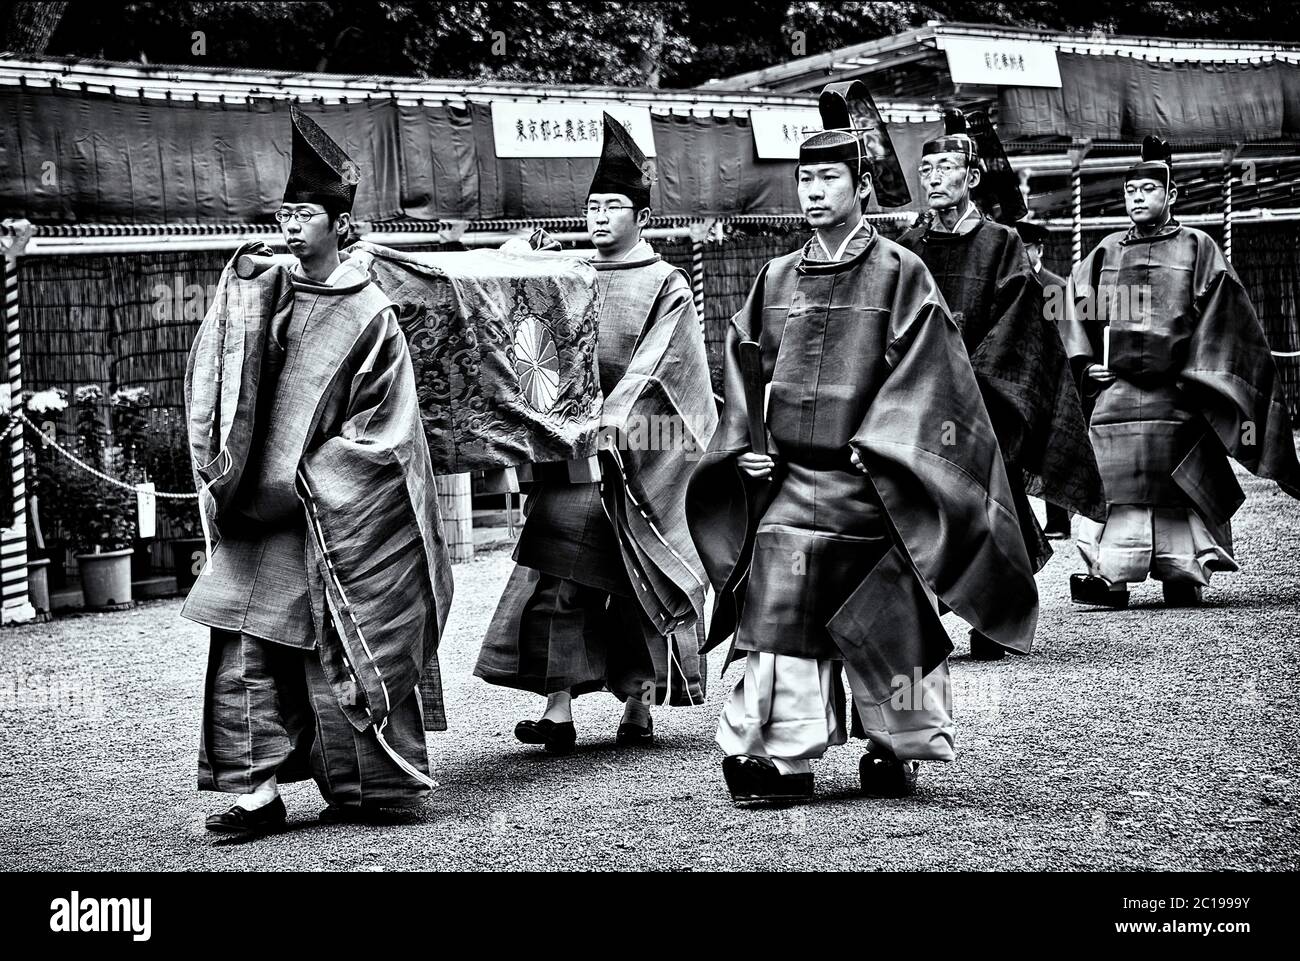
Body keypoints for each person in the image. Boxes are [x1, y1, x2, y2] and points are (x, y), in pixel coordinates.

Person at [687, 81, 1038, 807]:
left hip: (872, 483)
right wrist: (747, 445)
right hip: (789, 485)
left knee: (888, 616)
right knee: (778, 602)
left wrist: (884, 445)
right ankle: (778, 754)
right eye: (805, 179)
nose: (814, 192)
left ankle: (894, 743)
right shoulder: (776, 276)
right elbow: (744, 362)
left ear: (860, 188)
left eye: (829, 178)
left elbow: (930, 377)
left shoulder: (901, 272)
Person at [183, 106, 454, 836]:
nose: (291, 224)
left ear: (341, 223)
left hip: (327, 513)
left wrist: (312, 481)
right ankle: (257, 789)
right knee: (241, 642)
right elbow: (222, 381)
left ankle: (365, 785)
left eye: (305, 213)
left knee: (331, 649)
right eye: (285, 211)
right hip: (254, 509)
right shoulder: (263, 292)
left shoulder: (371, 313)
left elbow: (383, 431)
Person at [475, 113, 717, 753]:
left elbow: (663, 367)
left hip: (634, 458)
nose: (599, 216)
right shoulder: (568, 275)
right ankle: (557, 711)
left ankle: (637, 704)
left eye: (614, 205)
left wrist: (611, 422)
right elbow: (527, 340)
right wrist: (517, 262)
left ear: (642, 213)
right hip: (569, 449)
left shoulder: (666, 282)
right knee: (557, 577)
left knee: (635, 585)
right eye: (592, 205)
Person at [897, 111, 1104, 660]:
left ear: (971, 177)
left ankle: (992, 619)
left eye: (947, 167)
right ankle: (924, 619)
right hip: (918, 397)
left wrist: (968, 379)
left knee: (990, 508)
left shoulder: (1001, 241)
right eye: (927, 169)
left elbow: (1019, 321)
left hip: (986, 400)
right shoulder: (907, 245)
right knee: (924, 507)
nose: (935, 178)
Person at [1064, 136, 1300, 608]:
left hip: (1178, 392)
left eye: (1149, 189)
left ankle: (1183, 570)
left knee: (1179, 481)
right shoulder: (1106, 251)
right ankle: (1111, 575)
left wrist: (1196, 373)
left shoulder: (1198, 247)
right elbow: (1073, 308)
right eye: (1131, 190)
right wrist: (1087, 363)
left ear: (1170, 195)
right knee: (1115, 485)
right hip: (1116, 390)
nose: (1137, 197)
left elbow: (1225, 316)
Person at [1015, 218, 1073, 540]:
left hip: (1049, 377)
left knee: (1052, 450)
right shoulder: (1009, 282)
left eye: (1026, 247)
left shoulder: (1056, 287)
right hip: (1016, 377)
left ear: (1039, 249)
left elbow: (1067, 337)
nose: (1021, 253)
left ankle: (1058, 521)